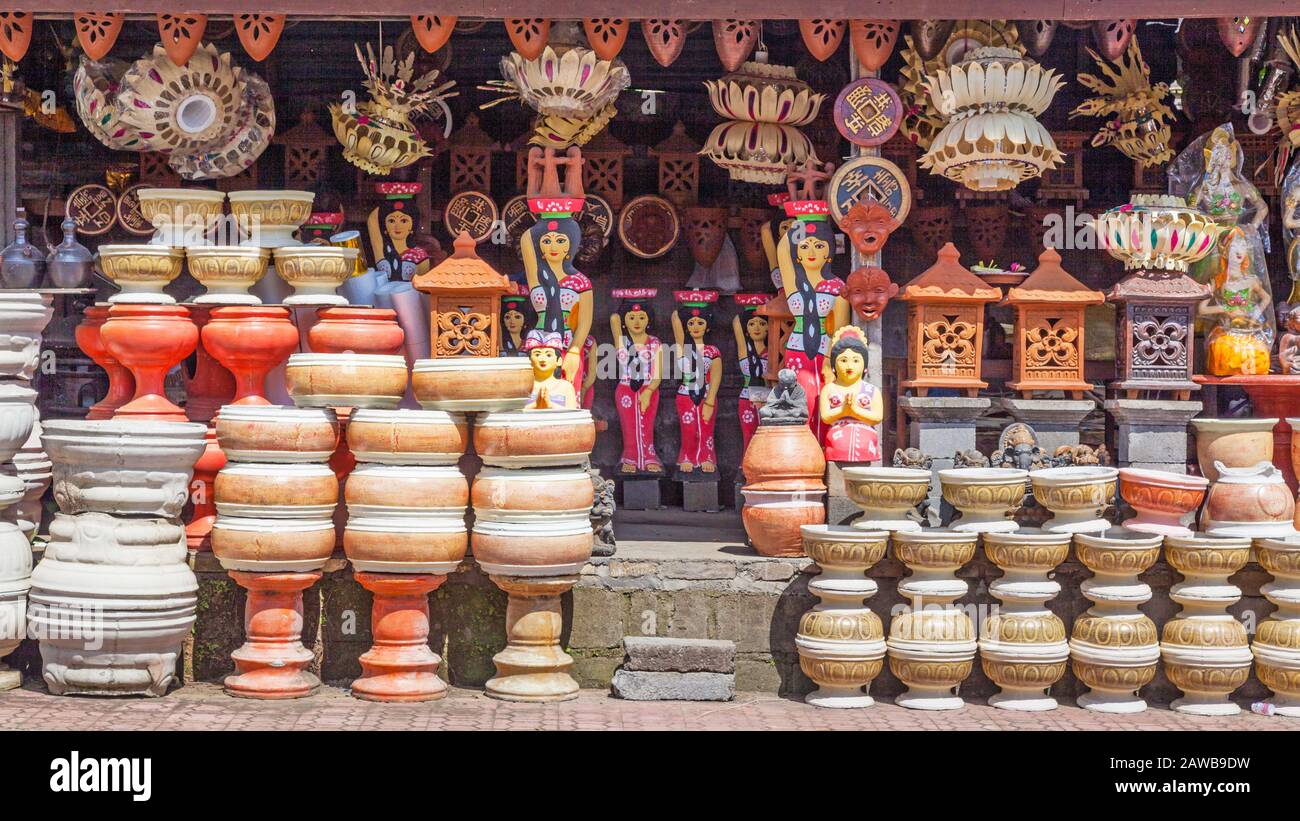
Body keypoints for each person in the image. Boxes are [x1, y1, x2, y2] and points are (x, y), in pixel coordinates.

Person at [776, 205, 848, 441]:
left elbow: (840, 331)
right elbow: (782, 251)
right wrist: (800, 221)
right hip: (797, 352)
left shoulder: (837, 286)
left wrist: (829, 361)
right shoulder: (794, 285)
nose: (812, 252)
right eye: (805, 246)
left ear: (829, 252)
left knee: (824, 402)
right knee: (800, 401)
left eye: (819, 245)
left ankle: (821, 453)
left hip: (824, 353)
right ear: (797, 253)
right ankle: (800, 451)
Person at [520, 211, 593, 401]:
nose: (553, 246)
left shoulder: (580, 282)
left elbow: (585, 322)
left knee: (567, 399)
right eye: (546, 241)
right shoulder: (536, 276)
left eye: (561, 240)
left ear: (572, 244)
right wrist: (545, 217)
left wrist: (575, 351)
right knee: (536, 400)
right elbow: (526, 239)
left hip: (568, 347)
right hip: (538, 347)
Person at [1201, 226, 1274, 376]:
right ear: (1225, 251)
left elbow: (1266, 298)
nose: (1239, 251)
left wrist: (1255, 314)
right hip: (1226, 332)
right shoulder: (1218, 281)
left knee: (1258, 354)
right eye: (1234, 246)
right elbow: (1202, 309)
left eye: (1243, 245)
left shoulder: (1251, 280)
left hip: (1248, 332)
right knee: (1225, 352)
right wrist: (1226, 310)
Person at [611, 291, 664, 473]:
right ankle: (630, 457)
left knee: (647, 425)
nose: (636, 321)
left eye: (642, 317)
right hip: (626, 389)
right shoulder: (622, 341)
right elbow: (614, 320)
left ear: (649, 320)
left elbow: (658, 374)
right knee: (628, 426)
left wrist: (649, 392)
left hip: (649, 388)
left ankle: (648, 456)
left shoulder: (655, 343)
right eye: (631, 317)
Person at [671, 294, 722, 474]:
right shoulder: (682, 347)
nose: (695, 327)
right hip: (686, 394)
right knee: (689, 429)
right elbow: (675, 321)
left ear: (708, 326)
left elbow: (715, 377)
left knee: (706, 429)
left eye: (700, 322)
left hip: (707, 393)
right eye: (691, 323)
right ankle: (687, 456)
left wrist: (709, 400)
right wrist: (682, 308)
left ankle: (707, 456)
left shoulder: (712, 351)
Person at [818, 326, 883, 462]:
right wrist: (842, 410)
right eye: (843, 360)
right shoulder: (829, 389)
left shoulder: (872, 391)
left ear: (865, 365)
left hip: (866, 442)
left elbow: (877, 417)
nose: (849, 366)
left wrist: (855, 411)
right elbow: (825, 417)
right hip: (837, 441)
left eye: (855, 360)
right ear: (834, 365)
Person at [731, 295, 769, 453]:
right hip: (747, 396)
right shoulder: (744, 351)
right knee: (748, 434)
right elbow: (736, 322)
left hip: (767, 396)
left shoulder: (772, 351)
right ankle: (746, 465)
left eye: (762, 323)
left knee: (766, 434)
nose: (757, 328)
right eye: (752, 324)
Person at [523, 332, 577, 409]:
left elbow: (572, 414)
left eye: (548, 355)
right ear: (529, 360)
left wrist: (550, 405)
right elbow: (514, 414)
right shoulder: (523, 388)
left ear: (559, 361)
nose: (542, 359)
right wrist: (535, 405)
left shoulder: (566, 387)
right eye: (537, 354)